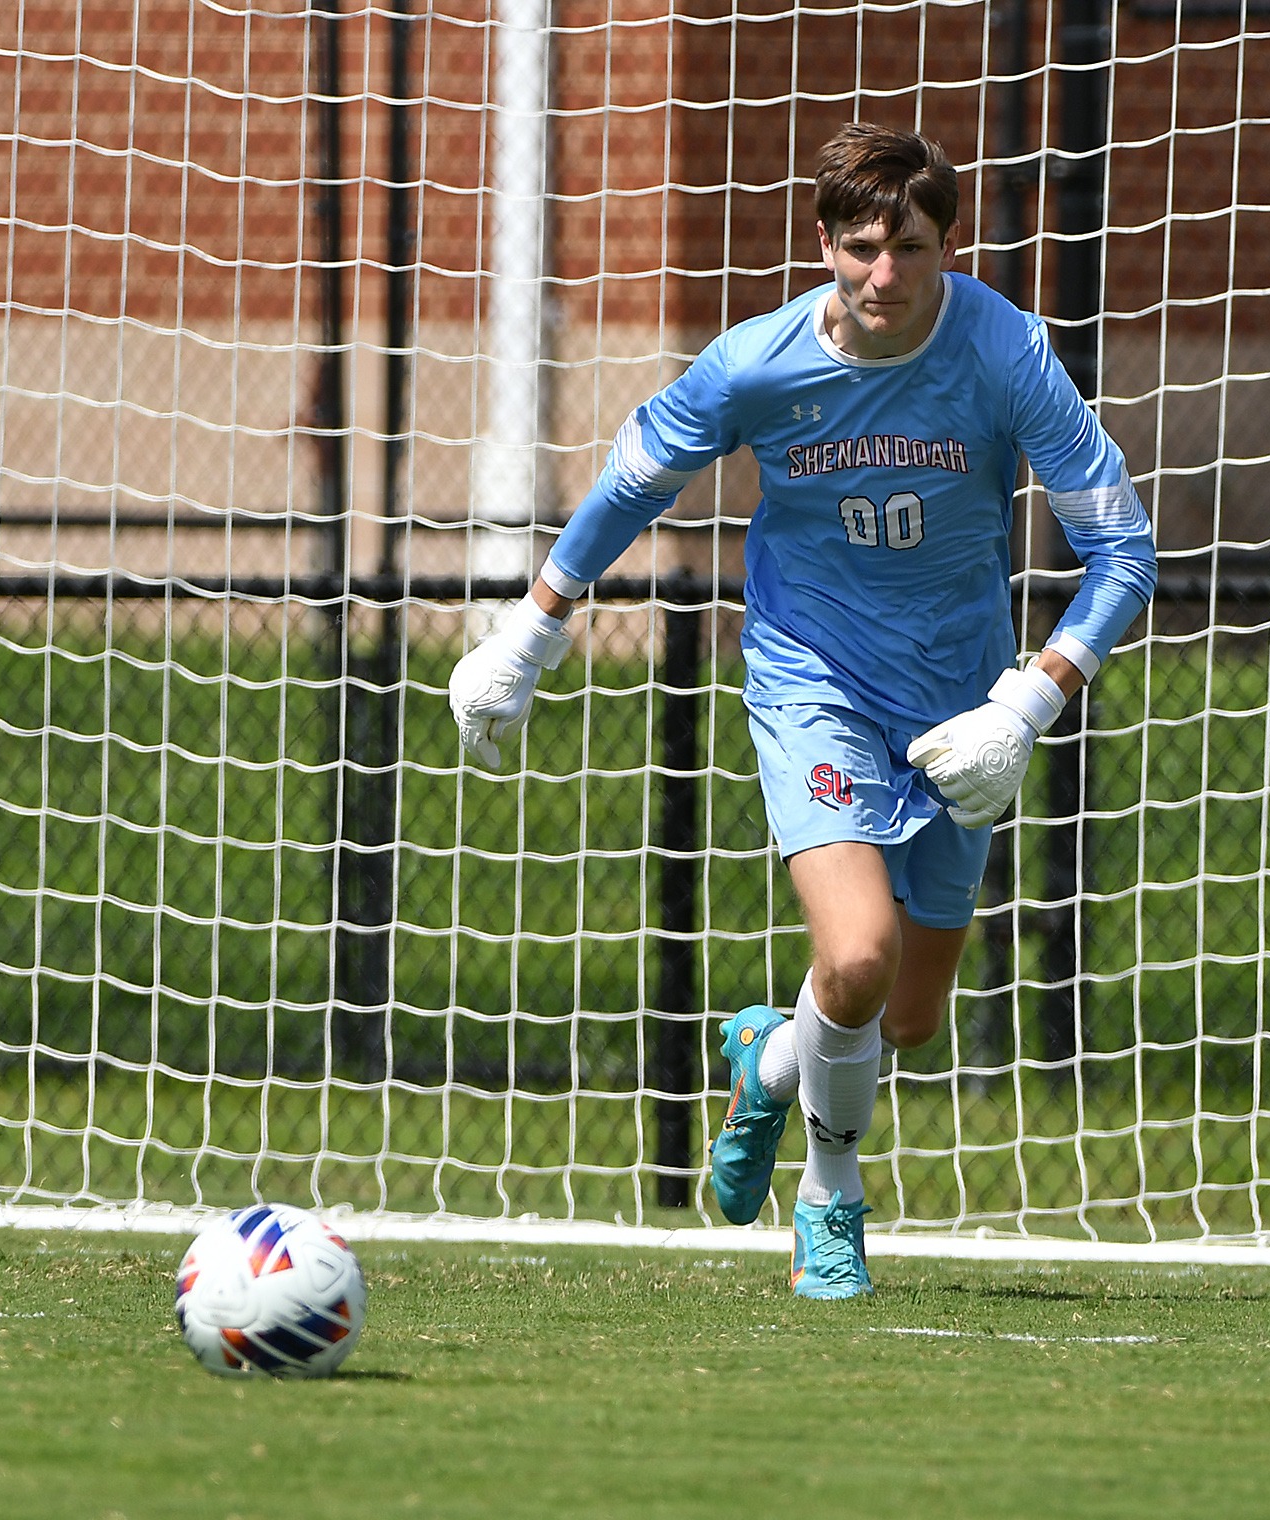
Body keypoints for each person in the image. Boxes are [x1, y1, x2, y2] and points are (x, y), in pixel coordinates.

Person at [448, 123, 1157, 1298]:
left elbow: (1121, 548)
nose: (887, 273)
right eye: (865, 246)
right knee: (860, 952)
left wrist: (1029, 703)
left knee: (908, 1019)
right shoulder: (753, 363)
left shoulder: (1005, 353)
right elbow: (633, 482)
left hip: (961, 706)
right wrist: (529, 630)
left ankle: (768, 1057)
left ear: (946, 246)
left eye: (913, 247)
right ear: (824, 242)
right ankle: (831, 1198)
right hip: (809, 679)